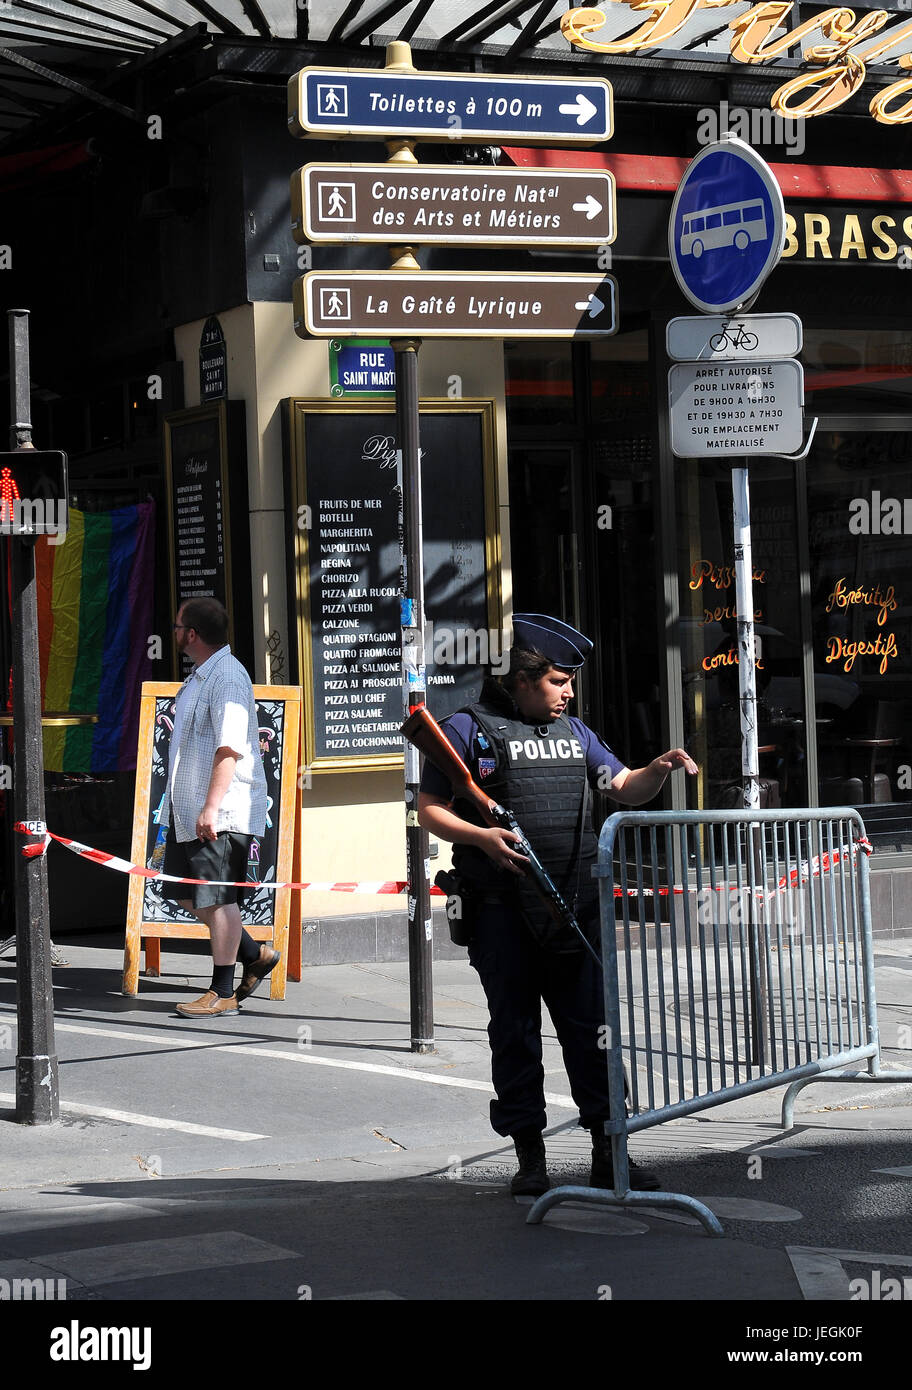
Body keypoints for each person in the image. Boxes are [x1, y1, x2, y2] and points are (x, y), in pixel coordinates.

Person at [417, 613, 698, 1197]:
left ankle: (607, 1150)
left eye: (569, 682)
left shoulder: (577, 734)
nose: (568, 692)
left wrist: (658, 770)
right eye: (557, 681)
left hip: (573, 906)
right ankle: (530, 1159)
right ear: (520, 679)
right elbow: (430, 808)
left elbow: (624, 787)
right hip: (502, 910)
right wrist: (481, 838)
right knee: (514, 1032)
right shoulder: (466, 730)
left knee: (592, 1031)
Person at [161, 597, 277, 1017]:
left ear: (191, 634)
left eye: (177, 627)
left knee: (220, 896)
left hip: (220, 812)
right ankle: (254, 954)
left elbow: (229, 750)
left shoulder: (226, 678)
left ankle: (222, 992)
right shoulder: (200, 676)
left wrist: (212, 807)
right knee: (185, 891)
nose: (174, 633)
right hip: (190, 809)